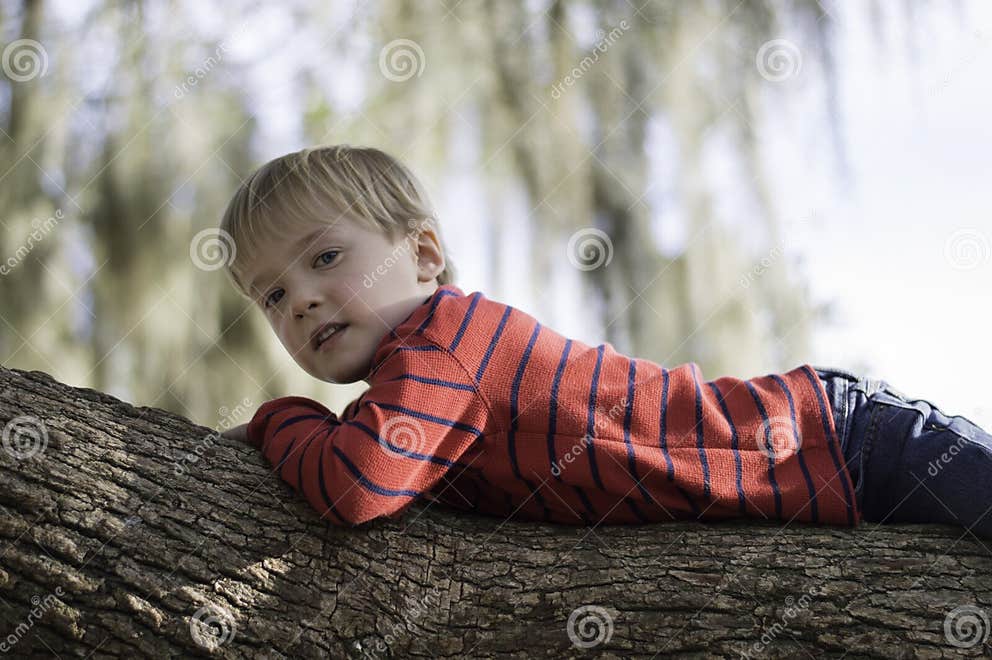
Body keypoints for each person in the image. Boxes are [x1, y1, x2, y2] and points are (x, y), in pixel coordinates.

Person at [215, 144, 992, 540]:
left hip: (848, 443)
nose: (302, 299)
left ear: (422, 254)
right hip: (825, 476)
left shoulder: (442, 345)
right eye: (272, 295)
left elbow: (357, 486)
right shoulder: (413, 391)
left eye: (325, 257)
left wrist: (277, 421)